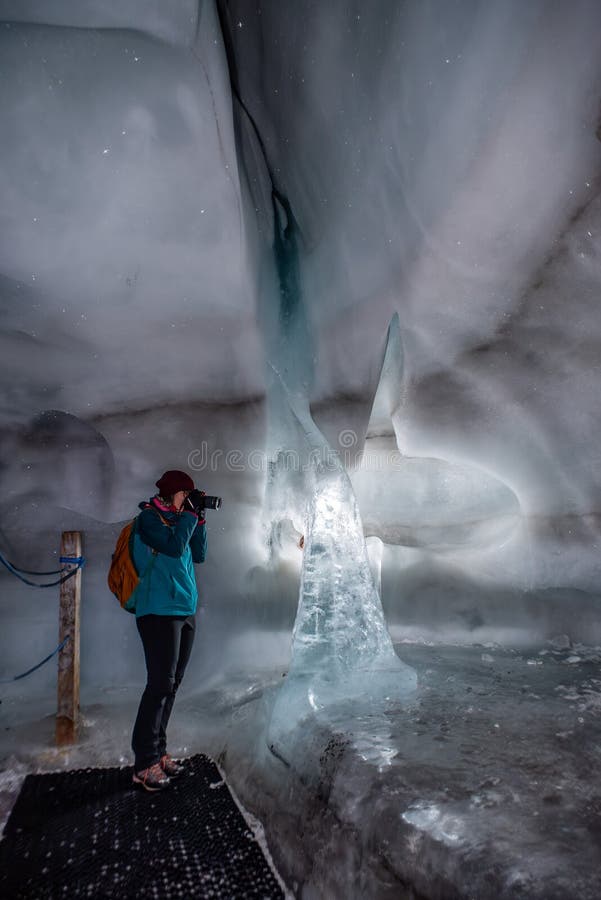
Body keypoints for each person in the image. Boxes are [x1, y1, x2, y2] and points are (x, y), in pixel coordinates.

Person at [130, 469, 208, 791]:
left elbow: (198, 554)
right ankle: (144, 762)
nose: (188, 500)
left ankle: (159, 753)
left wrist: (198, 519)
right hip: (158, 612)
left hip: (184, 610)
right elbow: (174, 548)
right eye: (185, 494)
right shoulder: (148, 520)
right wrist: (189, 516)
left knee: (172, 685)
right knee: (159, 683)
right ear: (172, 492)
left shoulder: (181, 521)